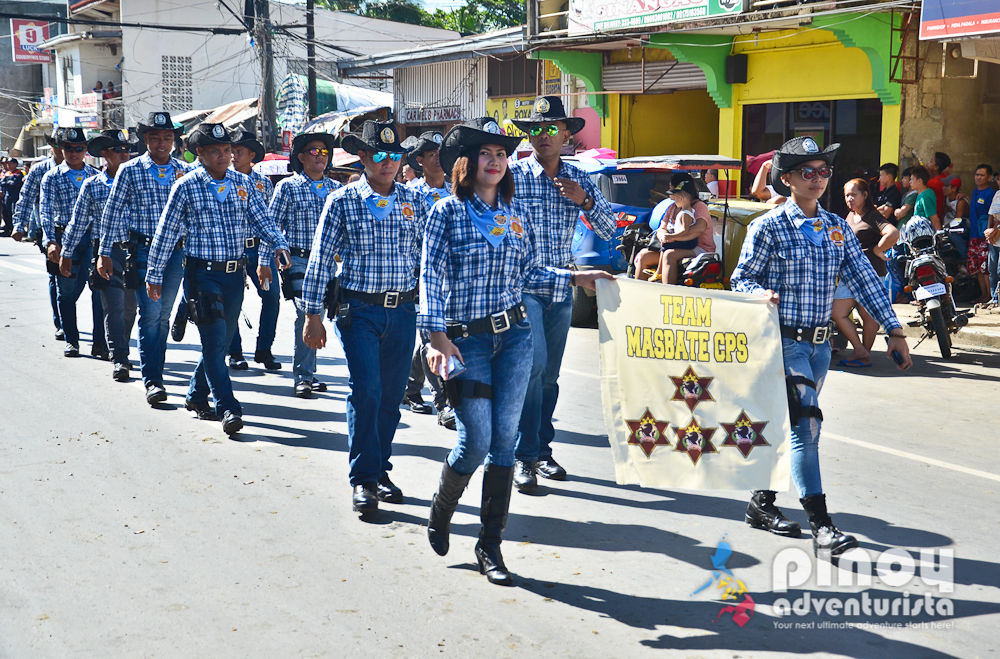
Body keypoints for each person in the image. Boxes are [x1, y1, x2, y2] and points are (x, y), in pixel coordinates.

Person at [420, 118, 613, 585]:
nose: (495, 160)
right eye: (485, 153)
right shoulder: (445, 212)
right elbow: (429, 279)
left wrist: (576, 278)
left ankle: (490, 545)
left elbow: (530, 272)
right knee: (475, 442)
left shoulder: (512, 215)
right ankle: (443, 506)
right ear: (466, 164)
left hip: (516, 337)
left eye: (501, 154)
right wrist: (435, 337)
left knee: (504, 443)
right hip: (467, 342)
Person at [732, 136, 912, 558]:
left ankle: (761, 503)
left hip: (820, 348)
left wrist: (894, 330)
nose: (817, 179)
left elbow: (866, 278)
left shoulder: (836, 227)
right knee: (807, 426)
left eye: (823, 172)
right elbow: (742, 278)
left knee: (785, 424)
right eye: (806, 173)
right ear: (788, 179)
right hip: (782, 345)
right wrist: (759, 294)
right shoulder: (768, 226)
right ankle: (822, 525)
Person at [301, 120, 426, 515]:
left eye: (394, 156)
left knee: (391, 398)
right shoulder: (343, 200)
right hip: (359, 311)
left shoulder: (416, 201)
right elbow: (321, 258)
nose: (388, 163)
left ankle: (379, 468)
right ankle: (364, 479)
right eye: (378, 155)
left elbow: (429, 259)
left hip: (404, 311)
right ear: (363, 156)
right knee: (366, 391)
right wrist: (312, 315)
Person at [145, 123, 291, 434]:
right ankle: (228, 407)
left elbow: (261, 218)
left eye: (227, 151)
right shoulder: (186, 186)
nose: (225, 157)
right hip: (202, 275)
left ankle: (196, 395)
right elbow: (166, 233)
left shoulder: (243, 184)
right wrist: (154, 274)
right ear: (200, 153)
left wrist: (277, 242)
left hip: (235, 275)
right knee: (213, 343)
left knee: (222, 343)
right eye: (216, 151)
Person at [508, 96, 616, 491]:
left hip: (561, 287)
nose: (542, 136)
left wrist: (583, 200)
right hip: (523, 288)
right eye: (535, 129)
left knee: (549, 376)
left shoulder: (579, 177)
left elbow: (609, 230)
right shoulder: (513, 176)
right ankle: (522, 455)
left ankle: (540, 451)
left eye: (551, 128)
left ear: (567, 134)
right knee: (532, 369)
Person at [97, 112, 191, 406]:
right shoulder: (130, 170)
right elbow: (112, 212)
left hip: (176, 253)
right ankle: (153, 380)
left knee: (162, 315)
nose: (162, 143)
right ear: (145, 139)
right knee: (149, 314)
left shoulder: (185, 171)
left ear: (174, 140)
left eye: (167, 137)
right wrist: (103, 253)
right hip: (142, 252)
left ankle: (155, 370)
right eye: (155, 137)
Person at [260, 131, 341, 397]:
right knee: (304, 311)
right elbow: (270, 226)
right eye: (314, 152)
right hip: (296, 260)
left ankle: (310, 371)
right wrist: (265, 262)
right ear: (301, 157)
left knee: (321, 314)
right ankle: (303, 376)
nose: (320, 157)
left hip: (327, 263)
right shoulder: (288, 187)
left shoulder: (335, 190)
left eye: (324, 152)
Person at [59, 129, 134, 380]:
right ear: (104, 154)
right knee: (113, 305)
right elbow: (78, 222)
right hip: (107, 252)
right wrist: (66, 252)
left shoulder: (140, 181)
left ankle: (121, 346)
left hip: (137, 252)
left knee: (129, 309)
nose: (124, 154)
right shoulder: (92, 185)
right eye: (118, 150)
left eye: (127, 150)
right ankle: (119, 357)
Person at [400, 130, 454, 429]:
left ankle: (408, 388)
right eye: (431, 154)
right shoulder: (411, 194)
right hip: (420, 278)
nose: (438, 158)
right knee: (429, 335)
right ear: (419, 160)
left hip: (452, 278)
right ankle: (444, 401)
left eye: (441, 152)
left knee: (434, 336)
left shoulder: (456, 191)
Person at [39, 127, 106, 359]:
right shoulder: (51, 177)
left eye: (79, 148)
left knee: (99, 292)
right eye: (69, 148)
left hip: (92, 239)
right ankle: (72, 340)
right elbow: (45, 211)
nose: (74, 153)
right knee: (66, 292)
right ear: (61, 149)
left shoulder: (96, 176)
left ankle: (100, 342)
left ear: (86, 150)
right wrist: (50, 242)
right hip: (65, 239)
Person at [227, 128, 282, 371]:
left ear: (252, 156)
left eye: (239, 152)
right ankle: (235, 351)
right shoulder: (222, 180)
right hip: (232, 251)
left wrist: (266, 258)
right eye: (231, 151)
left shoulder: (263, 184)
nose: (233, 156)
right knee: (231, 302)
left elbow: (269, 223)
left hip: (260, 250)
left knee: (271, 298)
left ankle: (264, 349)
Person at [831, 178, 898, 368]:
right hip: (850, 274)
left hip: (871, 273)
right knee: (838, 312)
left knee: (867, 315)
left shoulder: (873, 216)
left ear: (865, 195)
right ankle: (860, 350)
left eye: (853, 194)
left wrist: (878, 249)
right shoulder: (851, 216)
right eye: (847, 195)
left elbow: (892, 233)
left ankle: (864, 355)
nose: (849, 199)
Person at [12, 129, 65, 339]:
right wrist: (19, 224)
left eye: (70, 146)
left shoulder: (86, 171)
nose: (64, 150)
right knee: (56, 278)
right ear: (52, 146)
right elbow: (26, 198)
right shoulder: (40, 170)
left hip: (82, 235)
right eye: (59, 145)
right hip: (50, 231)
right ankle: (61, 323)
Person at [633, 177, 713, 284]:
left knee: (669, 255)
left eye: (671, 189)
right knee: (643, 255)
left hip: (699, 248)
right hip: (677, 246)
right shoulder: (672, 207)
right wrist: (663, 237)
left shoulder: (699, 206)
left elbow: (698, 229)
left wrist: (674, 238)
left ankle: (667, 292)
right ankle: (640, 293)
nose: (669, 192)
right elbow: (662, 227)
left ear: (681, 194)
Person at [969, 165, 996, 305]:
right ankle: (983, 295)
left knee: (986, 268)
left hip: (985, 236)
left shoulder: (990, 193)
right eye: (976, 174)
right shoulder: (974, 191)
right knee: (978, 268)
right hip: (974, 235)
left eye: (982, 175)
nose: (978, 177)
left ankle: (989, 296)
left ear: (989, 178)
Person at [926, 151, 952, 220]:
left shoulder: (932, 183)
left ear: (936, 167)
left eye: (931, 161)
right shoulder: (944, 176)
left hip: (931, 214)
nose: (928, 162)